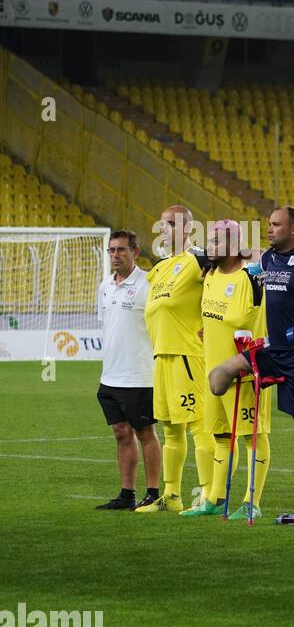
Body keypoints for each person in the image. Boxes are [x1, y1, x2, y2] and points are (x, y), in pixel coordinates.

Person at [208, 206, 294, 523]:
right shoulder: (267, 260)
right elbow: (242, 265)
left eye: (275, 224)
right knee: (218, 375)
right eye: (269, 223)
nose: (269, 229)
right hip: (275, 349)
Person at [182, 220, 271, 520]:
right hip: (212, 370)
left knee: (252, 436)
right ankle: (215, 498)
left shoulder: (252, 277)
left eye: (218, 242)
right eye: (211, 241)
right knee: (221, 436)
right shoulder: (211, 275)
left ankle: (251, 502)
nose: (211, 247)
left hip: (243, 371)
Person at [141, 204, 213, 512]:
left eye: (171, 224)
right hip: (162, 357)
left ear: (187, 228)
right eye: (163, 223)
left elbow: (238, 270)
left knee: (199, 427)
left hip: (187, 356)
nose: (164, 229)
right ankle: (171, 496)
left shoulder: (200, 259)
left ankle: (209, 497)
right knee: (171, 429)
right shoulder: (160, 267)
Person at [95, 230, 161, 510]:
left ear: (135, 252)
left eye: (121, 250)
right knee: (121, 433)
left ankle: (154, 492)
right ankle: (126, 493)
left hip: (139, 374)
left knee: (145, 433)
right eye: (111, 250)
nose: (115, 255)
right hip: (110, 375)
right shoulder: (105, 287)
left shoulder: (149, 284)